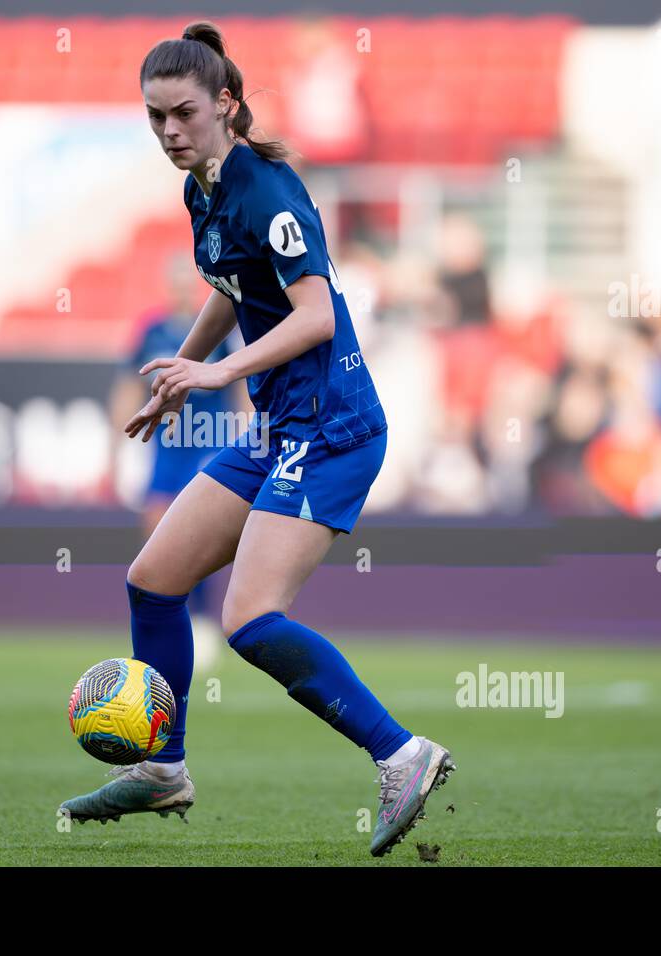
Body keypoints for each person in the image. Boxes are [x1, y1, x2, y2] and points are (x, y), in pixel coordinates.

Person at [59, 20, 454, 856]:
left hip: (332, 428)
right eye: (156, 116)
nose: (170, 131)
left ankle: (401, 753)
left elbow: (315, 317)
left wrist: (217, 374)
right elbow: (233, 288)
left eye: (184, 113)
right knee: (153, 580)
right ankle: (163, 768)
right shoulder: (203, 189)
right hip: (280, 427)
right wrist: (182, 369)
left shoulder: (265, 190)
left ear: (226, 103)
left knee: (248, 618)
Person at [110, 252, 251, 671]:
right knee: (156, 528)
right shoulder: (152, 331)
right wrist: (117, 439)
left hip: (207, 441)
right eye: (176, 284)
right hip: (166, 447)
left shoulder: (219, 328)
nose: (183, 291)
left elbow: (239, 383)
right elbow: (128, 386)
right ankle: (175, 617)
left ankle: (203, 620)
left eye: (189, 284)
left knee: (197, 531)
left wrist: (248, 432)